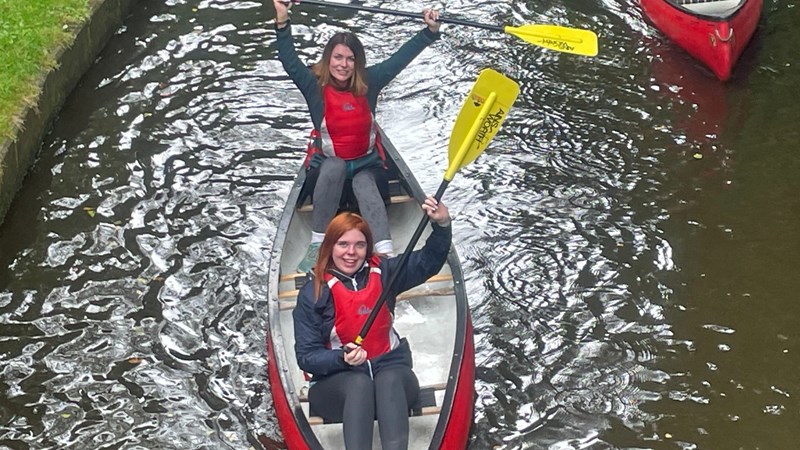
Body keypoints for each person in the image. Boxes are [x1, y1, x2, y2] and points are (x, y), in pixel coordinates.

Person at [272, 0, 442, 272]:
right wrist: (282, 20)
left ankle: (385, 254)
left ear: (357, 62)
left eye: (350, 59)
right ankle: (317, 244)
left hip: (368, 169)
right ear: (328, 60)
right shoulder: (313, 85)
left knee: (363, 181)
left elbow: (399, 60)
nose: (343, 65)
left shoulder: (369, 82)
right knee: (334, 165)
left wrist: (429, 32)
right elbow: (289, 60)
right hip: (329, 172)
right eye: (338, 58)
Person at [293, 196, 451, 450]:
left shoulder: (386, 271)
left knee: (388, 380)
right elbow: (307, 356)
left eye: (359, 245)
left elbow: (428, 261)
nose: (351, 253)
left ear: (368, 248)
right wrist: (341, 358)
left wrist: (442, 225)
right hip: (337, 386)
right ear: (330, 247)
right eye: (343, 244)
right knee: (360, 384)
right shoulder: (313, 293)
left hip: (393, 376)